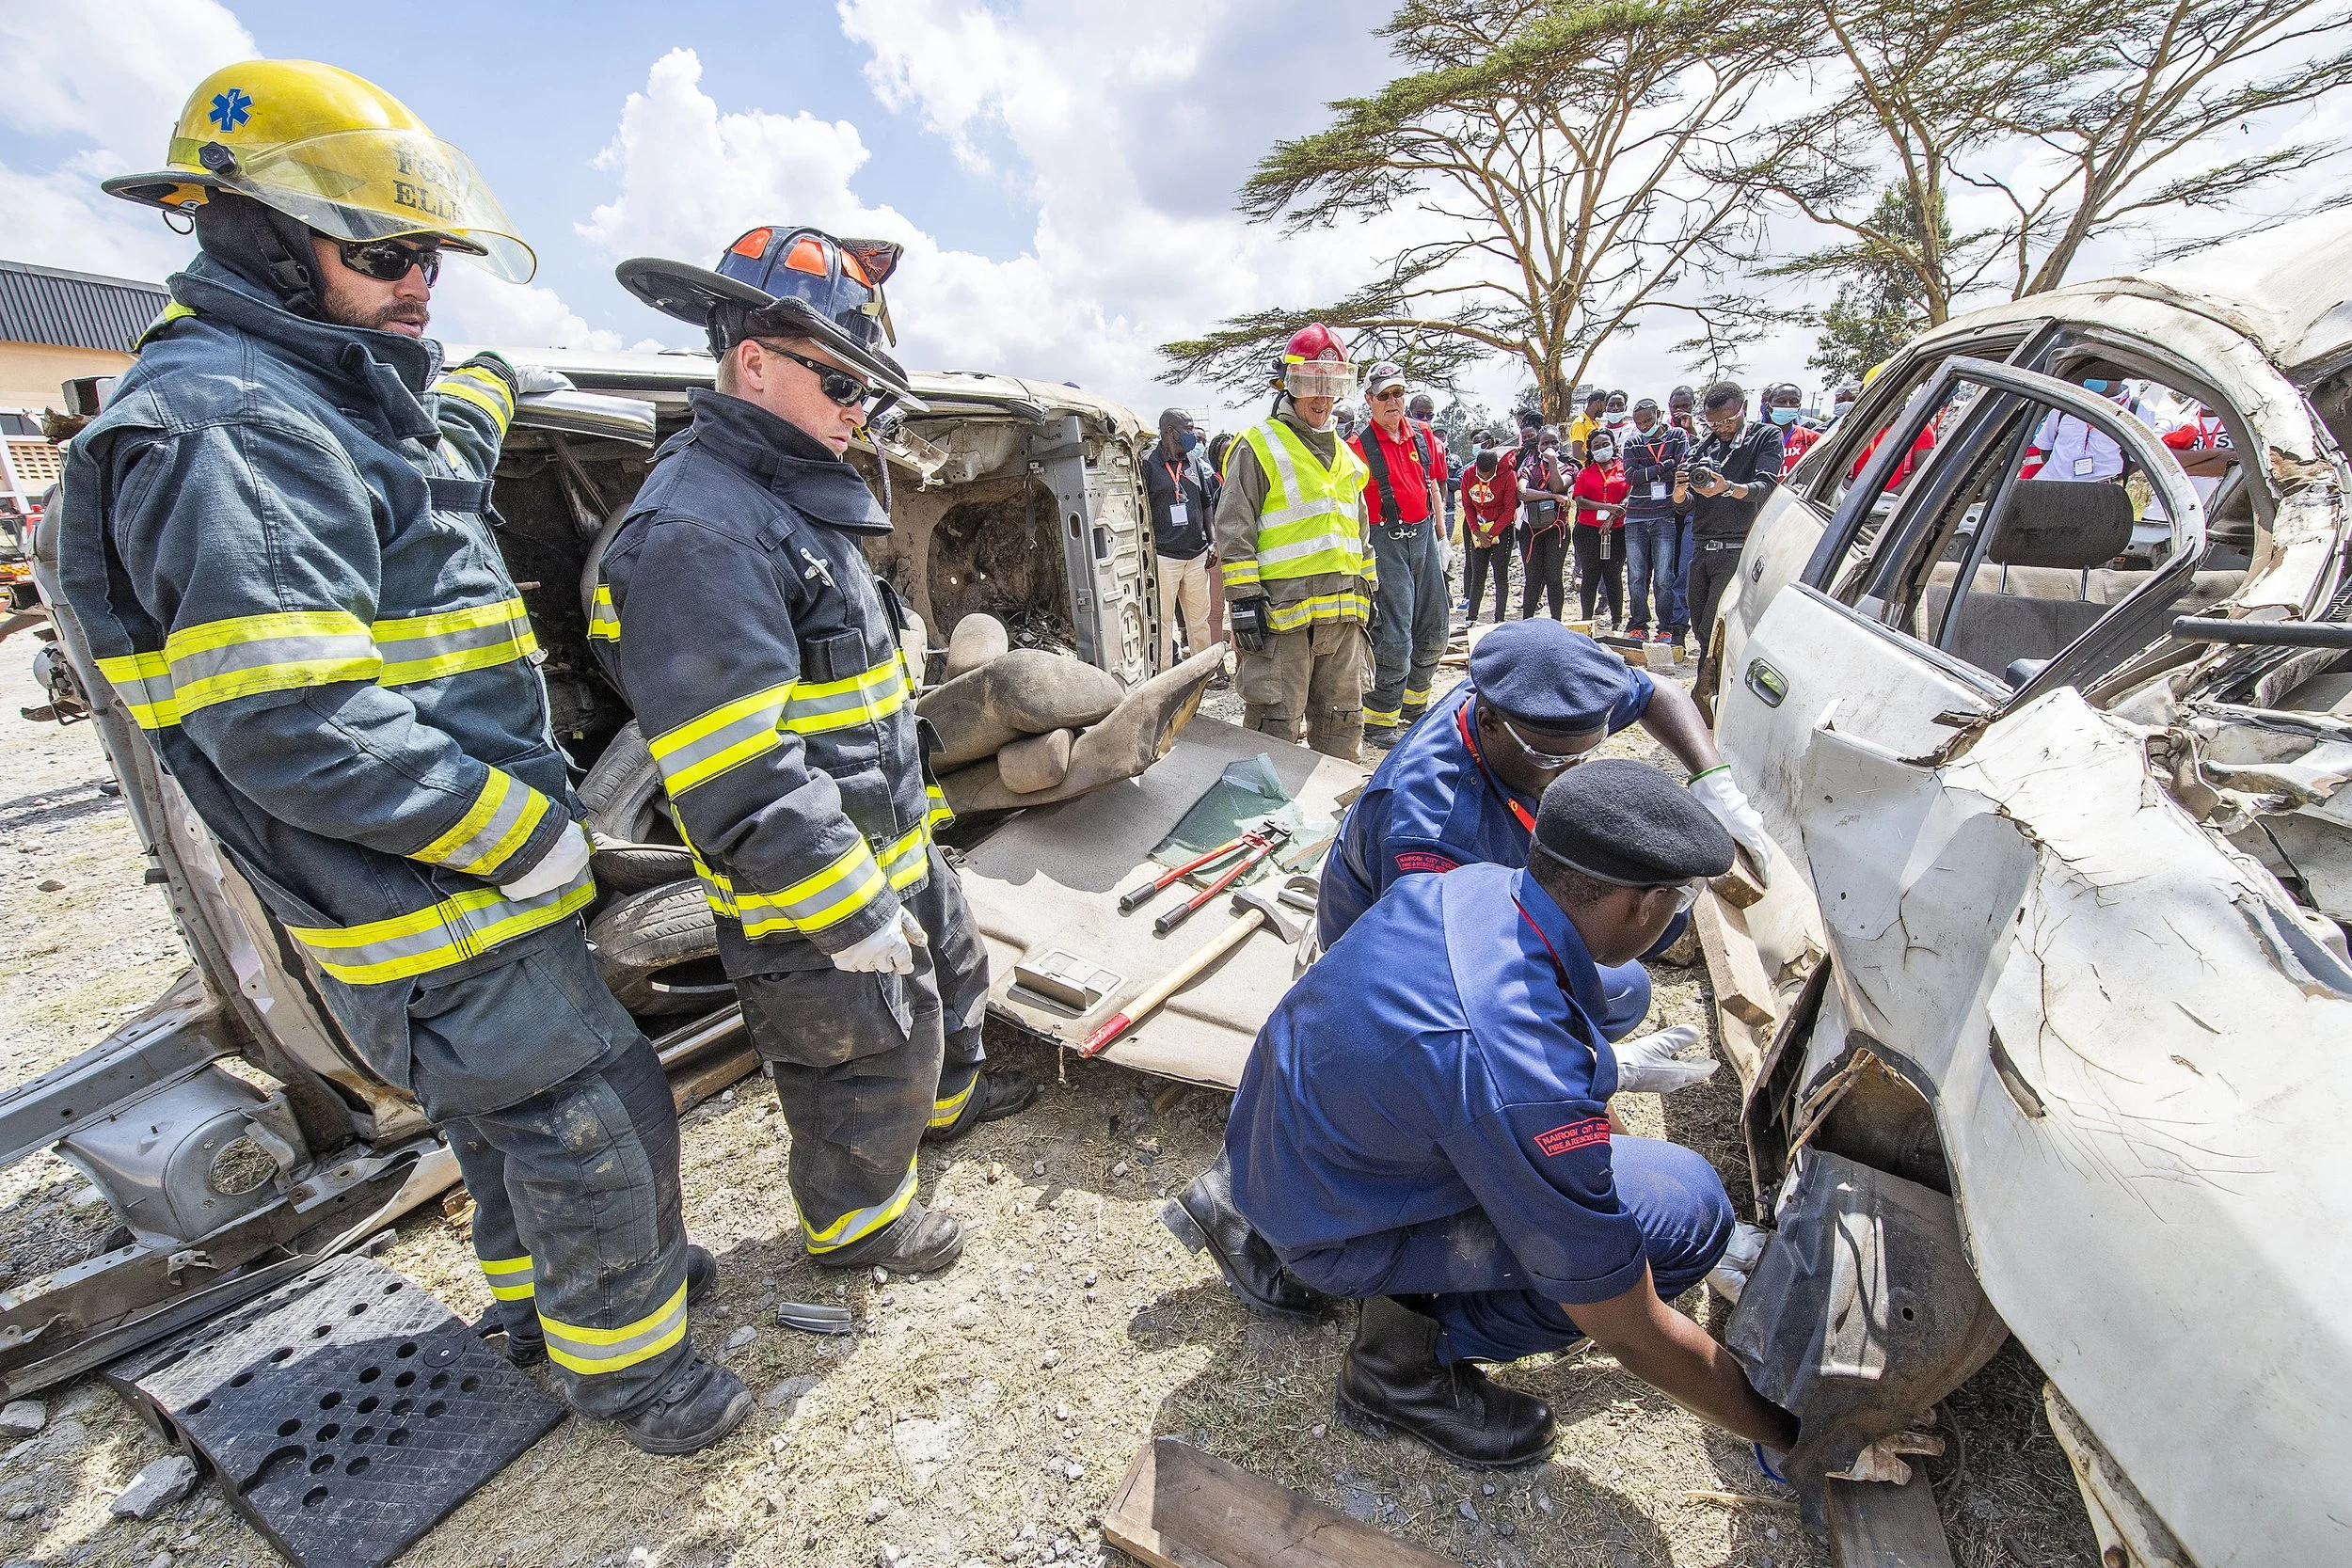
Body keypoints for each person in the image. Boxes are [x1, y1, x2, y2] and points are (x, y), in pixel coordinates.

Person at [59, 60, 750, 1454]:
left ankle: (535, 1311)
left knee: (504, 1125)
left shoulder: (316, 392)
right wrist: (526, 832)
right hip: (426, 888)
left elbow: (410, 480)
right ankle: (636, 1366)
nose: (420, 280)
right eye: (383, 253)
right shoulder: (228, 430)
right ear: (253, 232)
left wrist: (484, 390)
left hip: (418, 889)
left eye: (427, 251)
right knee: (589, 1115)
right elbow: (294, 726)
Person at [598, 223, 1041, 1284]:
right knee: (856, 1055)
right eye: (842, 388)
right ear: (753, 362)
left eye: (869, 397)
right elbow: (740, 774)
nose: (859, 417)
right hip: (814, 891)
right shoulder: (697, 532)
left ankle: (953, 1102)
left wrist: (914, 839)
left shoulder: (785, 498)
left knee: (947, 984)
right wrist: (850, 909)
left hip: (891, 848)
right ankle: (858, 1223)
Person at [1222, 761, 1799, 1470]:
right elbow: (1625, 1323)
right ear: (1643, 907)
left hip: (1274, 1154)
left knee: (1614, 1000)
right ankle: (1401, 1366)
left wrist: (1595, 1079)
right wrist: (1792, 1434)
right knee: (1690, 1215)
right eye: (1678, 902)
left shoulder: (1468, 884)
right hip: (1328, 1228)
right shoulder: (1524, 1078)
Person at [1312, 615, 1773, 951]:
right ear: (1488, 722)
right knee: (1610, 992)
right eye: (1552, 758)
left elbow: (1657, 692)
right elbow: (1431, 971)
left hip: (1468, 889)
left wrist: (1715, 782)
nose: (1569, 773)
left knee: (1622, 985)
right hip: (1388, 946)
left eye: (1585, 754)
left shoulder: (1540, 709)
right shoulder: (1433, 826)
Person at [1215, 323, 1376, 760]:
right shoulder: (1259, 445)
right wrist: (1244, 601)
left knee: (1342, 723)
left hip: (1342, 618)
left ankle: (1338, 823)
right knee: (1275, 729)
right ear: (1289, 383)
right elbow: (1233, 529)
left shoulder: (1346, 456)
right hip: (1280, 620)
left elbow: (1359, 535)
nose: (1322, 399)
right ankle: (1267, 827)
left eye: (1332, 385)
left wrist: (1370, 591)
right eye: (1311, 385)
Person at [1352, 362, 1451, 746]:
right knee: (1394, 637)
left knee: (1435, 628)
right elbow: (1350, 508)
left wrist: (1444, 540)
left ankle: (1414, 708)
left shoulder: (1423, 437)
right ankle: (1379, 722)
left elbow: (1435, 489)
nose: (1393, 401)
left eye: (1398, 393)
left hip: (1424, 535)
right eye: (1384, 395)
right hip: (1384, 542)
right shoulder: (1358, 448)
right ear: (1369, 400)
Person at [1677, 383, 1785, 660]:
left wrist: (1728, 488)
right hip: (1702, 546)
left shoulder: (1765, 436)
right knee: (1701, 627)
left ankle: (1707, 692)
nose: (1721, 428)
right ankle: (1708, 685)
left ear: (1744, 408)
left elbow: (1765, 486)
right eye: (1713, 423)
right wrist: (1679, 493)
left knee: (1717, 627)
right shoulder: (1704, 447)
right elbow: (1689, 504)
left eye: (1727, 420)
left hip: (1738, 546)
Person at [1143, 407, 1220, 671]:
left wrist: (1212, 541)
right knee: (1163, 622)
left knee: (1199, 619)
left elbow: (1207, 503)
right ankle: (1165, 676)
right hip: (1164, 556)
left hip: (1197, 554)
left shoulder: (1195, 463)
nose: (1192, 435)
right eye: (1187, 429)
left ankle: (1203, 673)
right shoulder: (1148, 465)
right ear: (1170, 432)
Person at [1621, 397, 1689, 646]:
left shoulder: (1678, 436)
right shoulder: (1632, 442)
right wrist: (1665, 466)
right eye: (1638, 422)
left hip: (1664, 515)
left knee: (1664, 577)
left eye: (1648, 420)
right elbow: (1630, 477)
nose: (1642, 426)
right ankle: (1639, 624)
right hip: (1636, 516)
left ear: (1658, 414)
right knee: (1636, 576)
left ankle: (1666, 626)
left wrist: (1650, 470)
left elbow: (1682, 468)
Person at [1572, 431, 1629, 627]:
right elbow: (1580, 500)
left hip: (1618, 529)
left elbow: (1629, 495)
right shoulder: (1585, 473)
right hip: (1588, 529)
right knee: (1591, 574)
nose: (1601, 449)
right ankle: (1587, 620)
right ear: (1590, 450)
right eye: (1596, 446)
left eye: (1605, 444)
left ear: (1613, 445)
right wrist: (1606, 507)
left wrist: (1612, 517)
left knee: (1613, 574)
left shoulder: (1624, 469)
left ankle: (1616, 621)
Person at [2020, 378, 2126, 482]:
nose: (2098, 377)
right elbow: (2045, 446)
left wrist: (2108, 480)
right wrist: (2061, 474)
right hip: (2051, 485)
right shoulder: (2066, 404)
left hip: (2095, 492)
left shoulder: (2132, 410)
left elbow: (2136, 461)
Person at [1458, 447, 1518, 626]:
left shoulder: (1508, 476)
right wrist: (1476, 531)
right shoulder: (1468, 474)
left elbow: (1509, 509)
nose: (1484, 478)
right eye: (1481, 474)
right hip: (1478, 530)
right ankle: (1471, 618)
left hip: (1502, 529)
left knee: (1501, 575)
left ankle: (1499, 618)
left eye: (1488, 474)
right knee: (1478, 575)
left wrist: (1491, 534)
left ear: (1496, 467)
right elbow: (1467, 505)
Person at [1518, 427, 1571, 621]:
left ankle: (1556, 622)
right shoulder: (1528, 469)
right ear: (1538, 446)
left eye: (1554, 442)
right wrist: (1553, 496)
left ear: (1560, 443)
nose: (1550, 446)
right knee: (1532, 578)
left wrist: (1554, 462)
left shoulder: (1568, 468)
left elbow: (1559, 485)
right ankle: (1527, 622)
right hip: (1531, 530)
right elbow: (1523, 493)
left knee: (1554, 577)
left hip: (1557, 529)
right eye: (1545, 443)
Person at [1765, 383, 1821, 476]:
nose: (1787, 405)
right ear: (1768, 406)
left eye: (1793, 402)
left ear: (1799, 407)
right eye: (1781, 401)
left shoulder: (1814, 439)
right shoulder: (1755, 437)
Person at [1566, 388, 1608, 466]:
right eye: (1605, 406)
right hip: (1586, 470)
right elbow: (1577, 453)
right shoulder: (1580, 423)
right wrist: (1596, 459)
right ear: (1598, 402)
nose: (1605, 410)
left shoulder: (1596, 423)